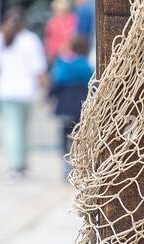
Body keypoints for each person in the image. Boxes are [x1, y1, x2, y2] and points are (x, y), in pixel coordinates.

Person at [0, 9, 47, 180]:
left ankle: (16, 164)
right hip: (26, 91)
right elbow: (39, 68)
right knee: (23, 129)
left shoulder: (2, 38)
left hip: (7, 90)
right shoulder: (30, 40)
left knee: (12, 129)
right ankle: (19, 164)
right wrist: (46, 89)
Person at [49, 32, 91, 173]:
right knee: (79, 135)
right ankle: (77, 162)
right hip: (81, 107)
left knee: (64, 134)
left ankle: (65, 164)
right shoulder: (87, 67)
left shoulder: (63, 65)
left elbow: (56, 83)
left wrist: (49, 97)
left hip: (65, 107)